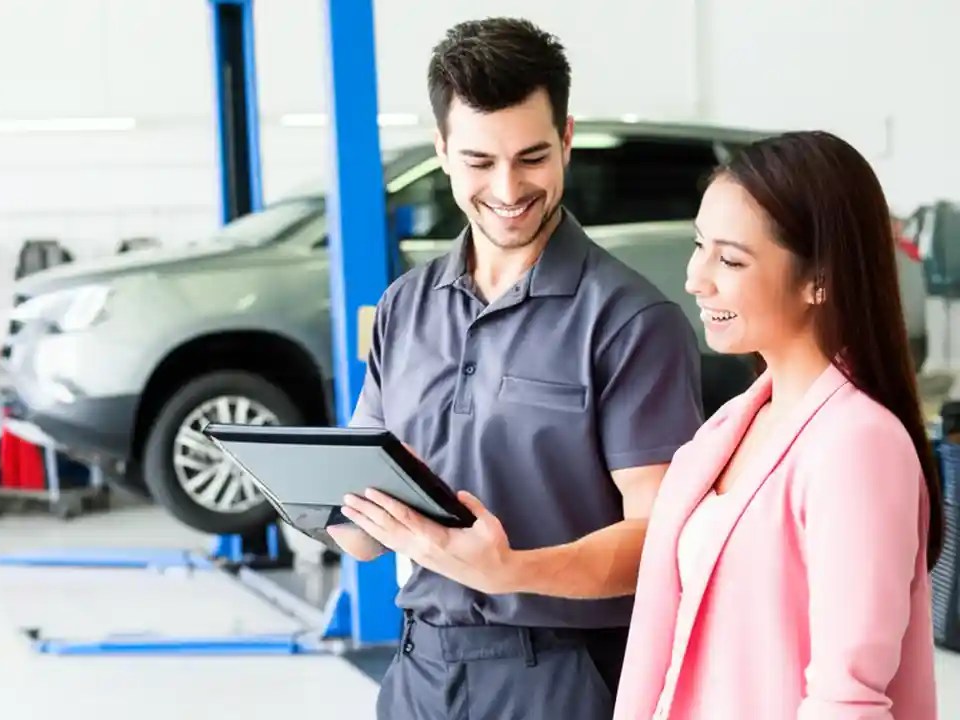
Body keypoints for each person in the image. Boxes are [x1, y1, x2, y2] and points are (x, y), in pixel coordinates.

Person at [327, 17, 705, 720]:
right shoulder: (405, 307)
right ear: (442, 151)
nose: (507, 188)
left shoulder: (628, 322)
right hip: (419, 671)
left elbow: (660, 537)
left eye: (532, 156)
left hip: (564, 675)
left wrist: (511, 571)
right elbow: (360, 522)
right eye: (479, 161)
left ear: (567, 140)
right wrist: (321, 500)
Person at [611, 131, 942, 719]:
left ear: (820, 279)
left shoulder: (857, 445)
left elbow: (848, 700)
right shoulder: (729, 428)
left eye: (731, 259)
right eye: (699, 245)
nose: (695, 278)